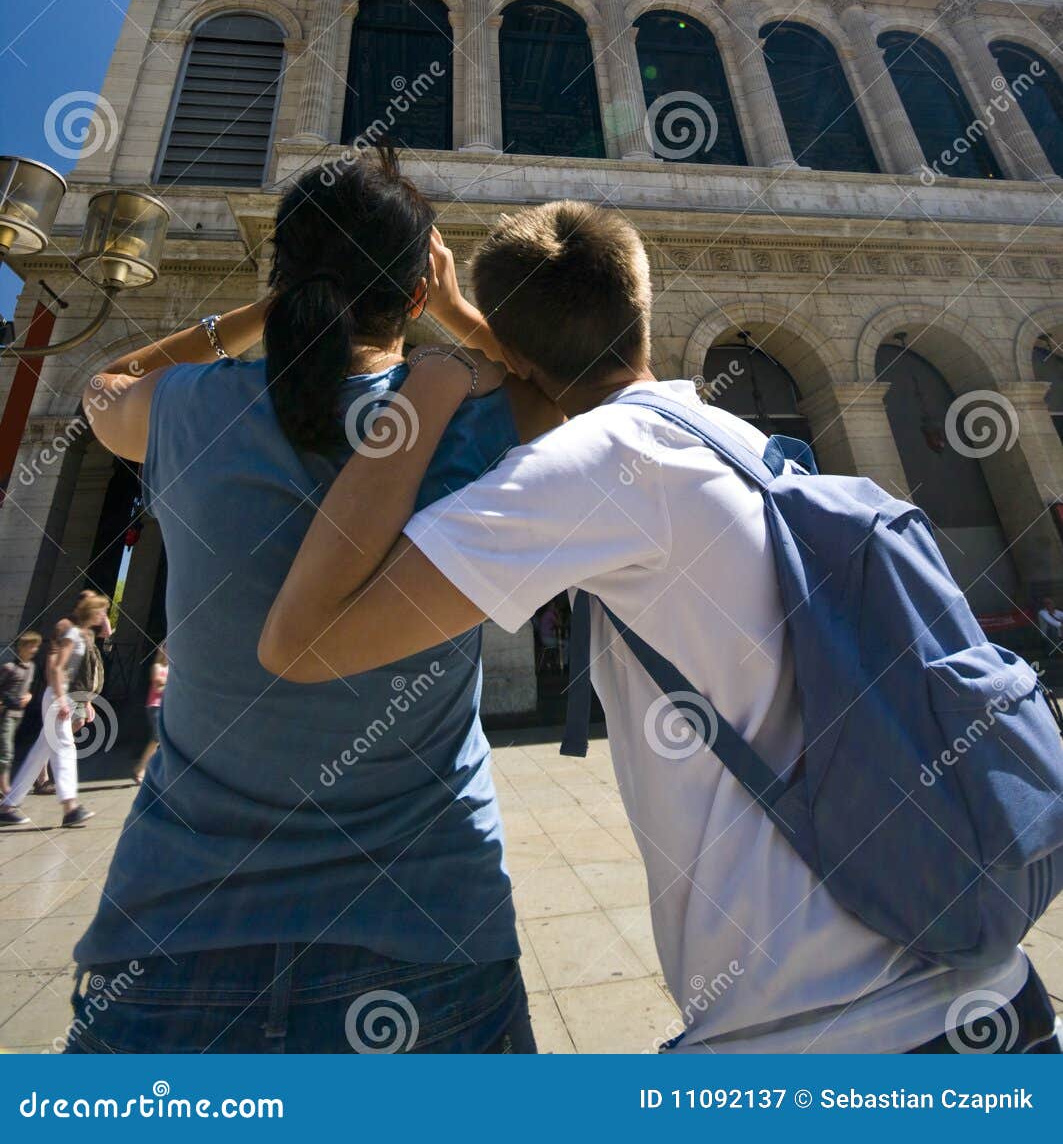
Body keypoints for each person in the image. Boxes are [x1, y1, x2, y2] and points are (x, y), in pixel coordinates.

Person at [261, 201, 1060, 1055]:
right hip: (994, 996)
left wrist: (432, 384)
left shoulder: (591, 472)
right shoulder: (725, 436)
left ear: (517, 354)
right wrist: (485, 324)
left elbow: (301, 642)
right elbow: (573, 379)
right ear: (644, 307)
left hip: (827, 1039)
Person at [65, 149, 554, 1054]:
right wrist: (456, 318)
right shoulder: (472, 414)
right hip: (427, 933)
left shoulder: (183, 408)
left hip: (173, 941)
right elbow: (577, 392)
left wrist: (264, 310)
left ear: (279, 274)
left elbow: (104, 385)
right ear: (413, 292)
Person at [0, 594, 110, 829]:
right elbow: (58, 668)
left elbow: (104, 634)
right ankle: (70, 807)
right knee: (65, 747)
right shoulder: (71, 633)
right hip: (58, 697)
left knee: (40, 753)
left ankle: (7, 806)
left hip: (64, 697)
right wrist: (61, 700)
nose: (103, 616)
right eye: (100, 611)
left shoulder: (82, 633)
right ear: (91, 612)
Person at [0, 632, 42, 796]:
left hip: (18, 715)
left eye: (35, 646)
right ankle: (4, 787)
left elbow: (29, 689)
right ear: (21, 647)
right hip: (6, 715)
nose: (33, 649)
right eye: (30, 646)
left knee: (6, 750)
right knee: (6, 752)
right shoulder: (9, 668)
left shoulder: (31, 667)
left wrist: (29, 696)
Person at [132, 645, 168, 785]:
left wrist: (166, 683)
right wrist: (170, 683)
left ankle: (145, 769)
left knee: (158, 739)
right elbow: (158, 687)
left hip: (164, 706)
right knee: (156, 738)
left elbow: (162, 684)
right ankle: (141, 769)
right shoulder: (157, 667)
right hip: (154, 706)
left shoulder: (170, 668)